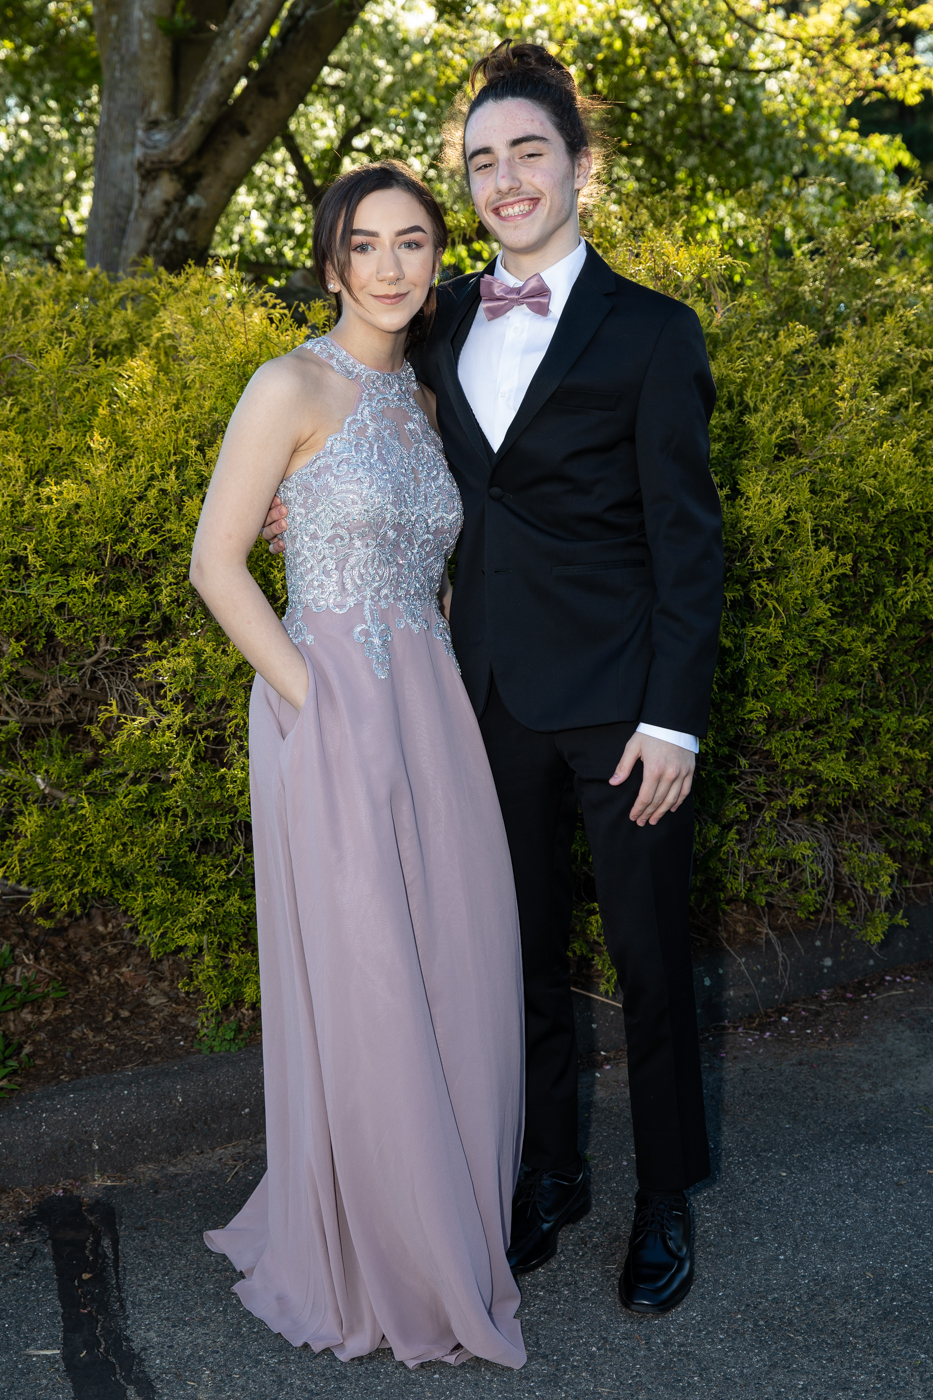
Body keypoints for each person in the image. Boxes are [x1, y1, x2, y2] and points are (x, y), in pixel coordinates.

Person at [264, 42, 724, 1317]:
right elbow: (369, 436)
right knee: (508, 957)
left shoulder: (653, 331)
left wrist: (675, 715)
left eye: (529, 153)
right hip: (477, 702)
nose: (505, 178)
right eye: (482, 160)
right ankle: (547, 1170)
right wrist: (293, 508)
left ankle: (665, 1195)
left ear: (579, 164)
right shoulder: (445, 314)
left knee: (646, 955)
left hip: (627, 708)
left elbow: (691, 542)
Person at [190, 161, 526, 1370]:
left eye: (414, 243)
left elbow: (432, 565)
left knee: (452, 960)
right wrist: (311, 698)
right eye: (365, 245)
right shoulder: (287, 384)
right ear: (332, 262)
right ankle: (382, 1249)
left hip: (429, 707)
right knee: (373, 977)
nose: (390, 266)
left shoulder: (429, 408)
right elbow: (216, 565)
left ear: (439, 261)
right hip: (325, 707)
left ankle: (448, 1221)